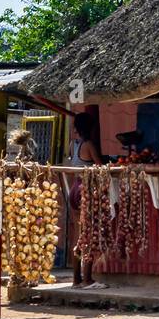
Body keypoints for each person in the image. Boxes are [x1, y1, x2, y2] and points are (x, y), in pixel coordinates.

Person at [66, 113, 107, 289]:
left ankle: (76, 279)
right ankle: (87, 279)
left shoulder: (73, 145)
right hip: (86, 190)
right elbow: (100, 166)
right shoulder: (89, 145)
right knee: (88, 234)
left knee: (78, 233)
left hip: (75, 187)